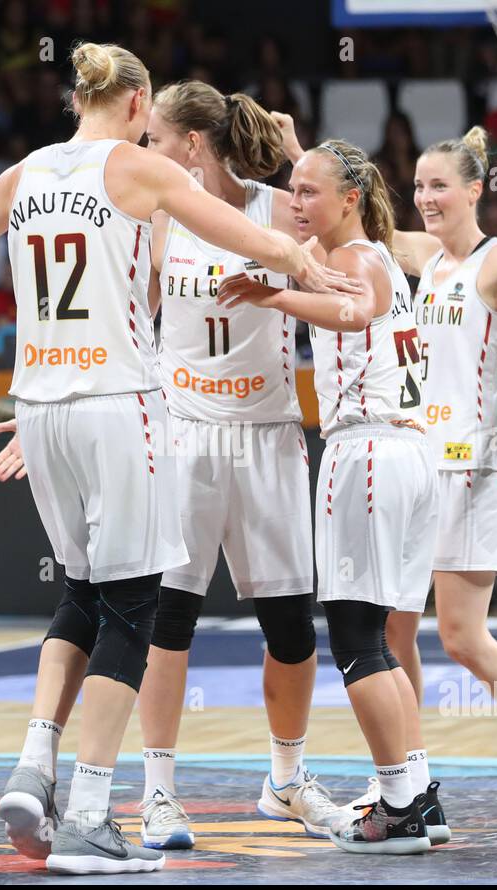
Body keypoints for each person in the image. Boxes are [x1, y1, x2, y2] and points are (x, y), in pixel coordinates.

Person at [0, 42, 346, 874]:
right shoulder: (136, 170)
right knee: (134, 607)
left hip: (39, 406)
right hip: (120, 409)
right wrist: (302, 258)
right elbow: (252, 238)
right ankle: (91, 812)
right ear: (133, 105)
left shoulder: (24, 172)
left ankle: (34, 764)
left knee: (82, 595)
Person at [275, 118, 497, 829]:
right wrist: (303, 161)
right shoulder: (426, 261)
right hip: (419, 467)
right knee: (394, 635)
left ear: (477, 190)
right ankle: (406, 782)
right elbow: (356, 217)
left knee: (463, 636)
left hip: (475, 468)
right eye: (418, 185)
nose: (426, 197)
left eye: (440, 185)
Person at [217, 137, 441, 854]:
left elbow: (355, 312)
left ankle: (399, 808)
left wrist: (272, 292)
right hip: (404, 451)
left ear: (349, 198)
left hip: (368, 451)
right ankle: (415, 793)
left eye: (310, 191)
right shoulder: (369, 255)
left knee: (354, 641)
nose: (295, 201)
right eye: (292, 189)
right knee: (375, 636)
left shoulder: (357, 260)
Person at [128, 80, 337, 850]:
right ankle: (158, 794)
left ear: (191, 143)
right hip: (185, 433)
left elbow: (360, 218)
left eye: (154, 137)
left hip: (268, 433)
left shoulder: (281, 211)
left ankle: (286, 781)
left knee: (290, 627)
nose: (145, 150)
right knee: (169, 620)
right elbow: (128, 321)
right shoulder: (156, 217)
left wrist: (294, 153)